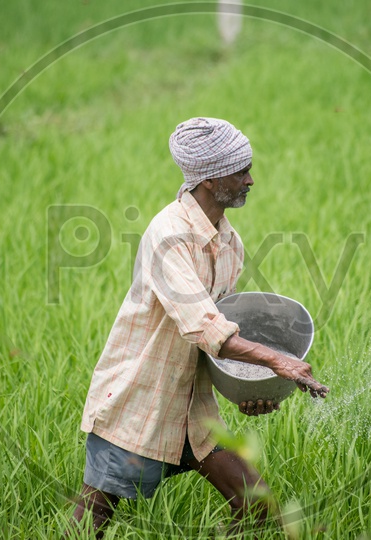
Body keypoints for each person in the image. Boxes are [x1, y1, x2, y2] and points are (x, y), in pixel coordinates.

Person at [69, 117, 329, 538]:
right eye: (240, 171)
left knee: (255, 504)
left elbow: (218, 339)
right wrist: (279, 362)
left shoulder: (230, 243)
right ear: (208, 179)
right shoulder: (168, 235)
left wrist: (249, 392)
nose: (251, 180)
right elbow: (204, 327)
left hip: (192, 409)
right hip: (140, 399)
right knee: (91, 522)